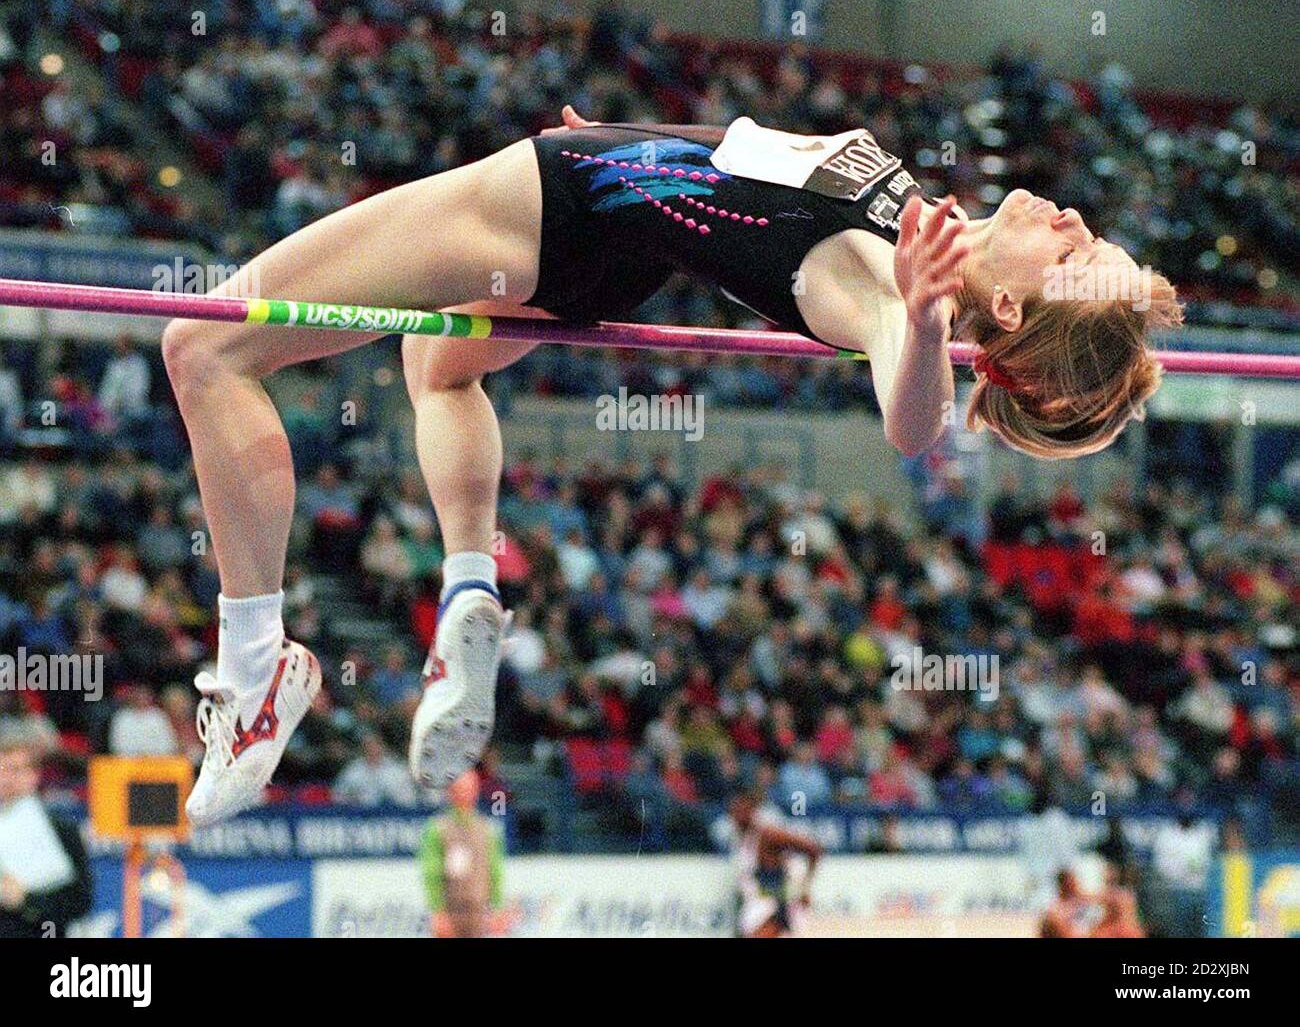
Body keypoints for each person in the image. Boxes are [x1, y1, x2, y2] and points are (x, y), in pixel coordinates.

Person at [162, 105, 1183, 823]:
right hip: (612, 219)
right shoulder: (919, 228)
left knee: (204, 345)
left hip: (555, 205)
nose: (1075, 221)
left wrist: (917, 320)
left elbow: (911, 427)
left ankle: (256, 667)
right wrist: (619, 140)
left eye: (1074, 254)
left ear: (1003, 309)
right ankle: (468, 586)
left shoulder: (890, 281)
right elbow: (745, 164)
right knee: (437, 368)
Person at [0, 731, 93, 938]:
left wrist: (26, 900)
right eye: (1, 770)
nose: (6, 778)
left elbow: (80, 901)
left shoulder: (62, 830)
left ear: (34, 775)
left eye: (15, 770)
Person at [419, 769, 508, 938]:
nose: (464, 794)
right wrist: (438, 911)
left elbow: (495, 871)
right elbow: (431, 872)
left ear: (476, 790)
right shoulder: (437, 828)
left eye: (469, 788)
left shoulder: (488, 829)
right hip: (450, 907)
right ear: (449, 792)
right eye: (459, 789)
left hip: (479, 909)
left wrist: (497, 907)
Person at [728, 789, 822, 938]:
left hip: (772, 906)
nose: (737, 815)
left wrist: (805, 888)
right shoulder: (740, 838)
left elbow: (813, 849)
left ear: (753, 811)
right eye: (734, 811)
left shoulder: (768, 835)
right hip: (752, 904)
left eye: (742, 810)